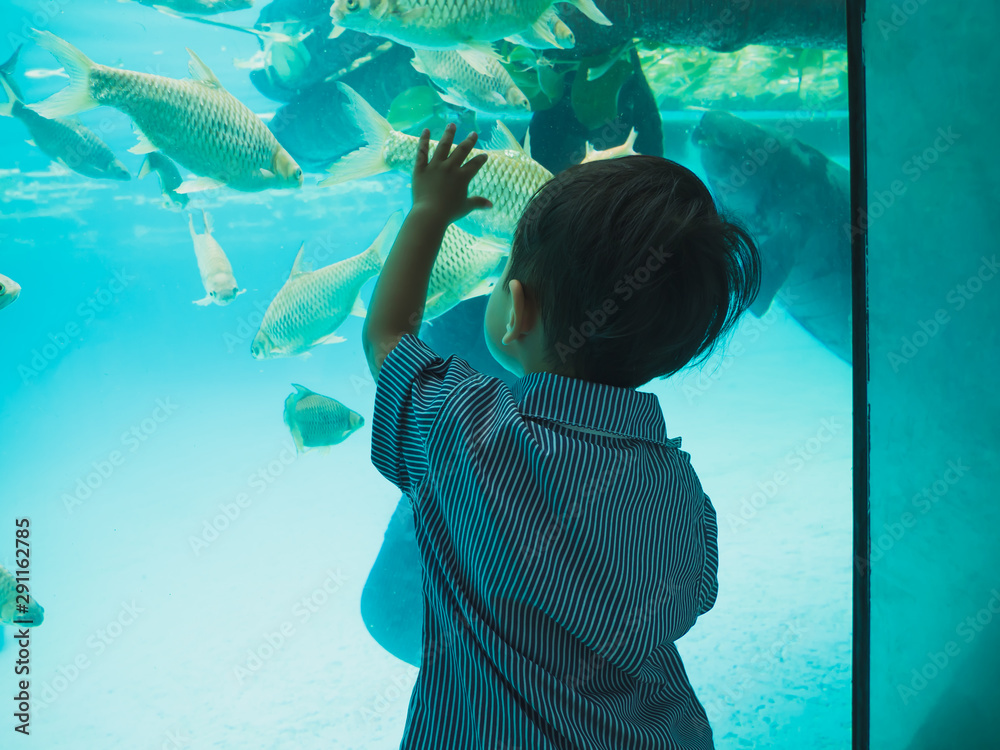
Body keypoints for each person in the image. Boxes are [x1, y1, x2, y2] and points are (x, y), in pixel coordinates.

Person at [360, 123, 761, 749]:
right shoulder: (675, 483)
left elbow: (386, 337)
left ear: (515, 308)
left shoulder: (464, 428)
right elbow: (689, 599)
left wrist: (429, 213)